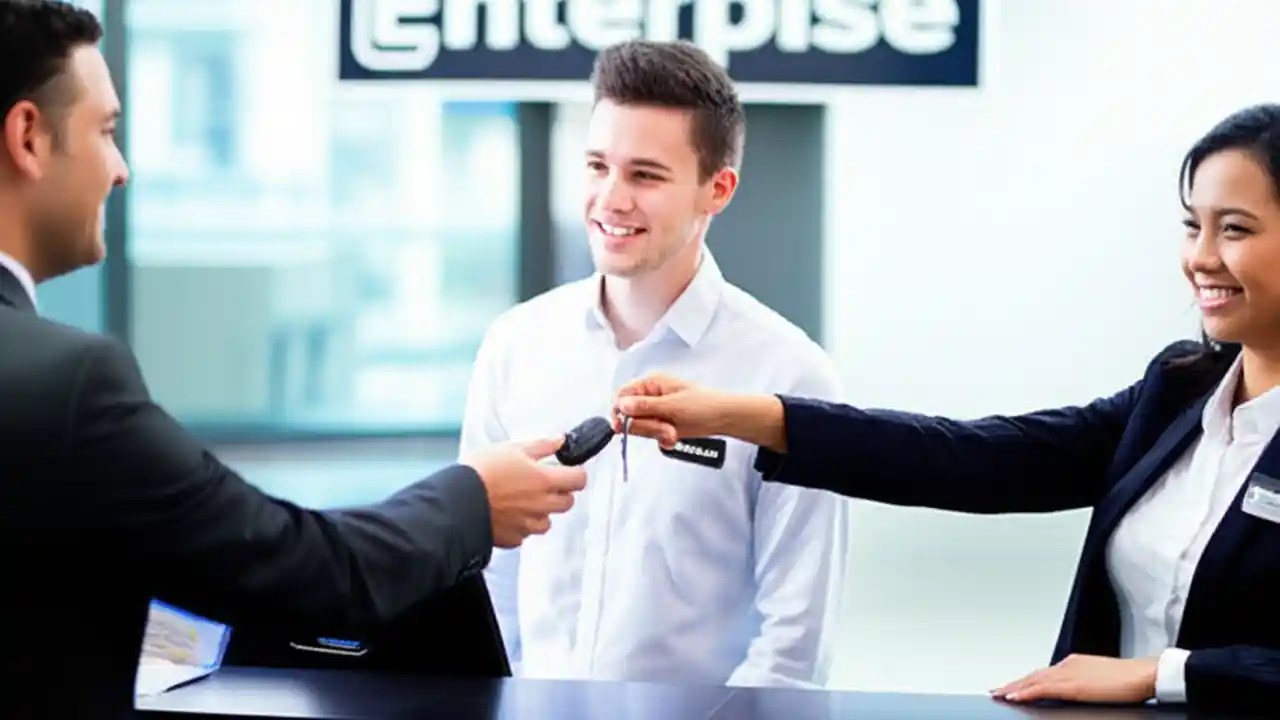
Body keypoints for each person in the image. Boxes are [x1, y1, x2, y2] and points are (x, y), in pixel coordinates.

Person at [0, 1, 586, 714]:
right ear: (28, 136)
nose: (119, 169)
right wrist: (474, 499)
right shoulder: (68, 382)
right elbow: (301, 571)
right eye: (107, 131)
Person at [611, 102, 1280, 713]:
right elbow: (978, 458)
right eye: (1193, 226)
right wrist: (742, 414)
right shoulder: (1176, 392)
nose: (1200, 258)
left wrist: (1157, 674)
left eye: (1235, 230)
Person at [461, 39, 848, 689]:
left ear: (716, 190)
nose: (610, 199)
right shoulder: (515, 345)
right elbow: (484, 572)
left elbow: (794, 646)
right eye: (596, 166)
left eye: (645, 175)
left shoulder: (791, 378)